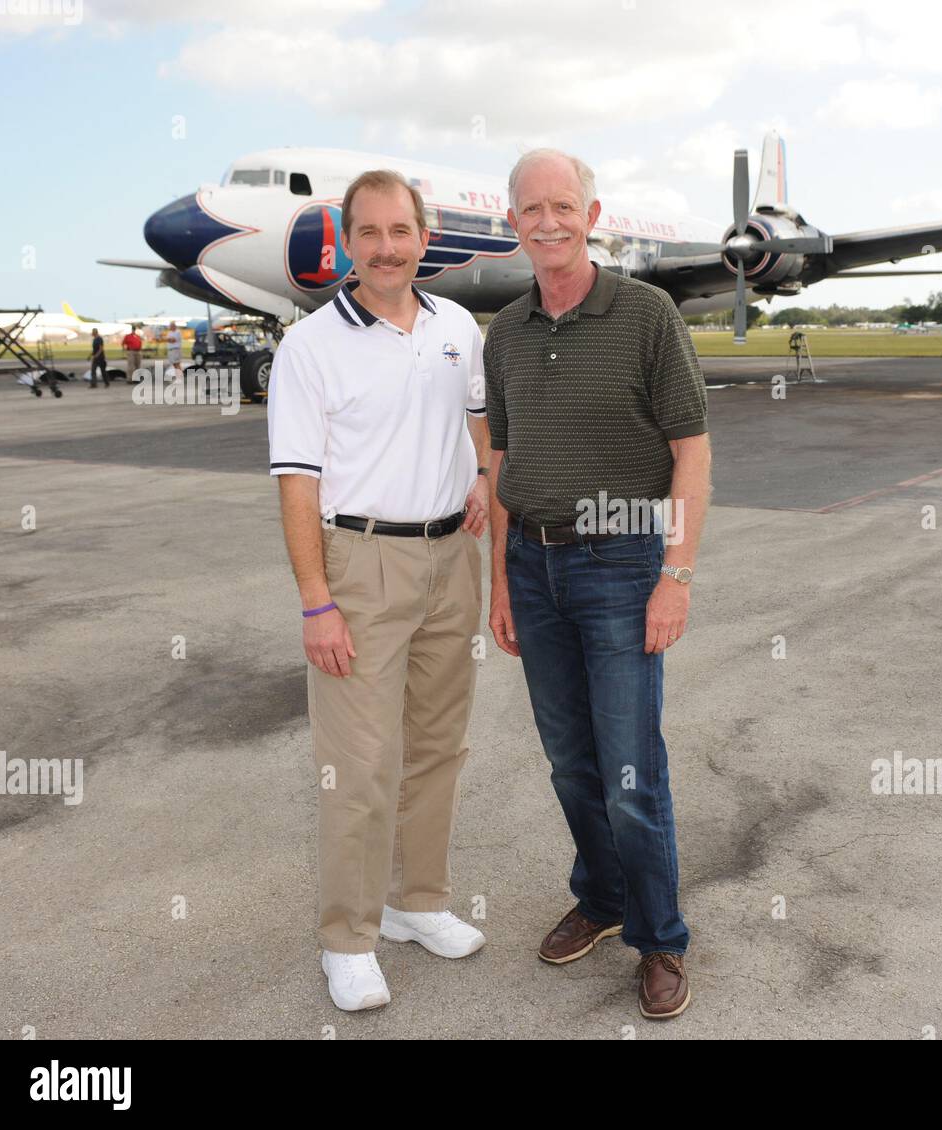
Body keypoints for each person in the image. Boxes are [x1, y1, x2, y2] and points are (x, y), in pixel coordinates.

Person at [484, 149, 711, 1020]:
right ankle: (605, 899)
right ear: (515, 223)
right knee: (571, 762)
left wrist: (676, 576)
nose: (548, 221)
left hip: (623, 563)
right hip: (533, 568)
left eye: (563, 206)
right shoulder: (504, 333)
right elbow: (501, 463)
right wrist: (499, 584)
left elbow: (691, 454)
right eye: (532, 209)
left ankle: (662, 939)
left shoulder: (647, 314)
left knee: (627, 768)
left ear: (592, 213)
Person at [268, 169, 492, 1012]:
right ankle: (349, 937)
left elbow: (477, 423)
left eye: (402, 231)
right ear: (347, 244)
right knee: (358, 765)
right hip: (359, 564)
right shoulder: (311, 346)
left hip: (450, 556)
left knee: (438, 747)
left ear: (423, 238)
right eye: (370, 233)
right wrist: (315, 599)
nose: (387, 248)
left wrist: (480, 477)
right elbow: (296, 481)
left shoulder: (458, 327)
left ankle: (415, 903)